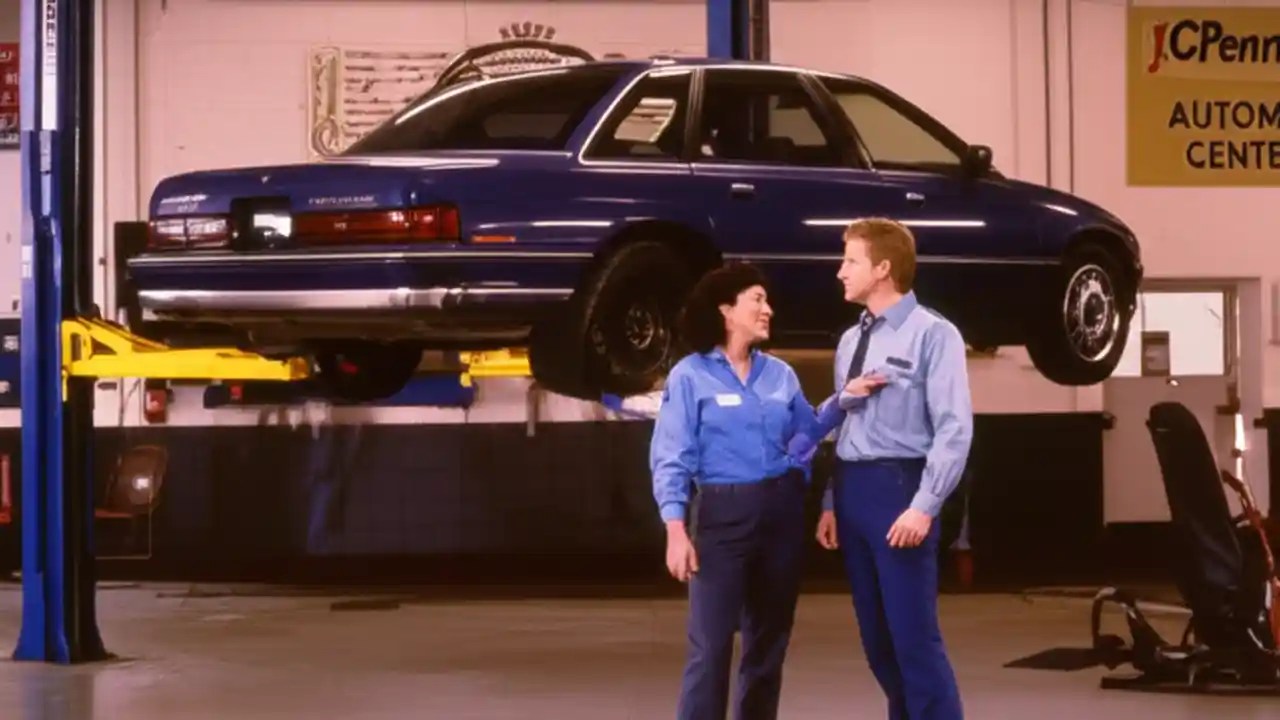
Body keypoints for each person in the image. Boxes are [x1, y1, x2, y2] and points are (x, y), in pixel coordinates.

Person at [650, 261, 844, 720]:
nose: (768, 309)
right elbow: (671, 455)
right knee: (711, 646)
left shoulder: (780, 375)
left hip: (781, 513)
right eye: (757, 299)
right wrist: (675, 529)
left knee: (767, 645)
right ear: (725, 309)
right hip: (721, 515)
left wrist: (844, 401)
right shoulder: (690, 376)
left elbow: (807, 433)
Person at [815, 218, 973, 720]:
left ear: (882, 269)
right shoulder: (848, 340)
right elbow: (843, 424)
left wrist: (924, 507)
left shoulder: (934, 335)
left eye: (850, 261)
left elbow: (954, 429)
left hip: (901, 490)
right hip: (852, 489)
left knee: (913, 640)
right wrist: (830, 501)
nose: (840, 272)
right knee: (878, 643)